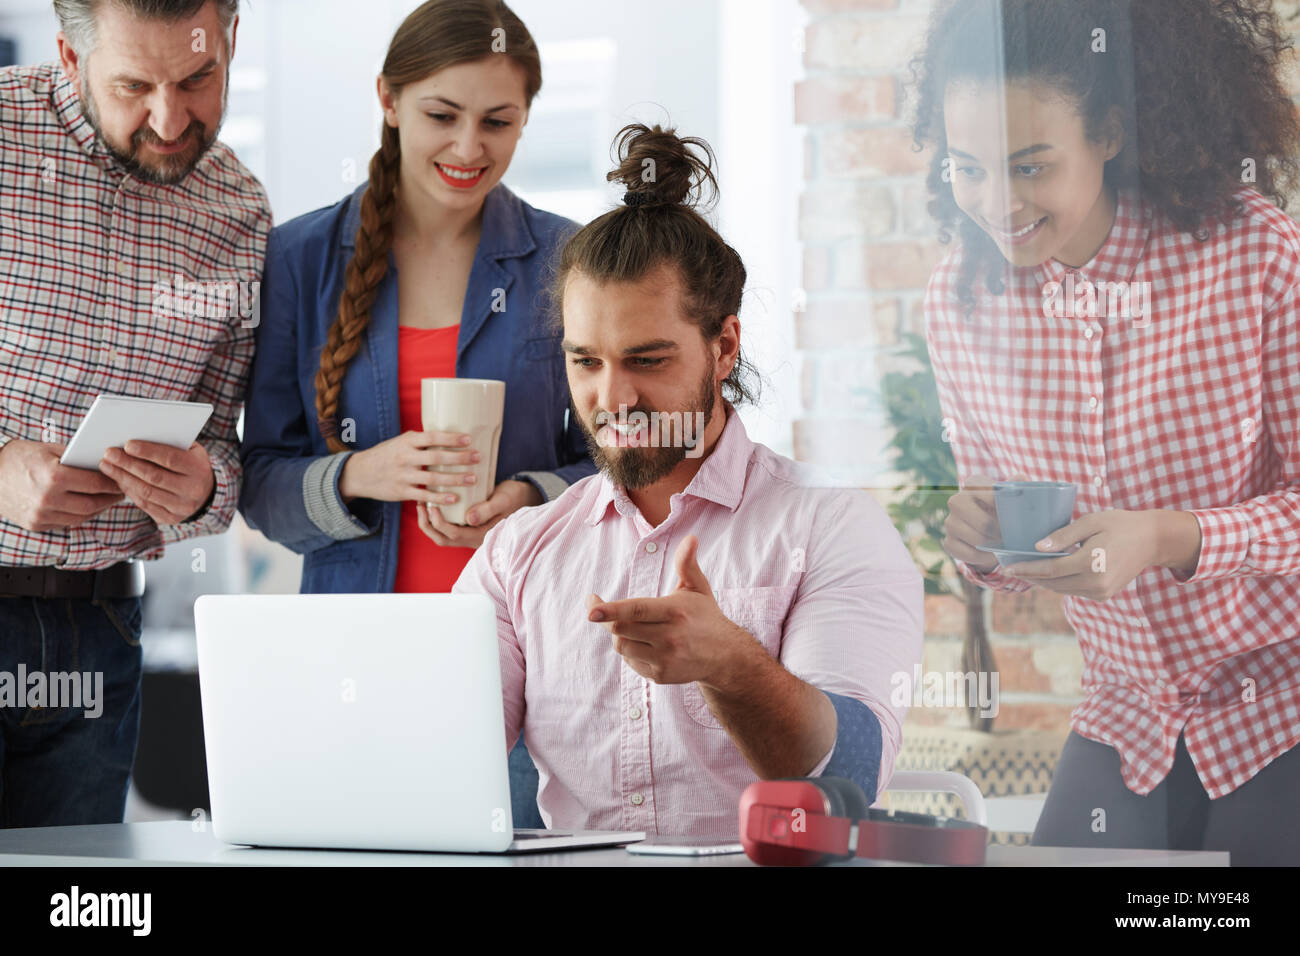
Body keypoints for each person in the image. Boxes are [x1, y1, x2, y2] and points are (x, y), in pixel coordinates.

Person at [453, 124, 923, 837]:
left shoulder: (830, 526)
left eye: (647, 360)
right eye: (586, 361)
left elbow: (847, 783)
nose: (613, 398)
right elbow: (444, 749)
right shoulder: (519, 551)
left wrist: (730, 665)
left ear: (724, 345)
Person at [916, 0, 1300, 864]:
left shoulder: (1253, 256)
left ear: (1112, 133)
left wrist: (1172, 537)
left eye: (1029, 166)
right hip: (1125, 714)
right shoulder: (960, 303)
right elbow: (1004, 541)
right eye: (967, 168)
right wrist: (977, 542)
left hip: (1280, 702)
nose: (996, 202)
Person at [238, 0, 591, 829]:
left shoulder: (567, 261)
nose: (470, 149)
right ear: (389, 103)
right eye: (442, 115)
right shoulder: (296, 260)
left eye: (498, 122)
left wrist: (531, 499)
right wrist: (359, 475)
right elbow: (257, 485)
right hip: (357, 670)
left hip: (535, 675)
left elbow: (625, 467)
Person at [0, 0, 270, 827]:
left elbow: (226, 449)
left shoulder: (241, 216)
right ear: (70, 60)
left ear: (230, 37)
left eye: (197, 78)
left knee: (69, 909)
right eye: (133, 86)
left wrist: (199, 489)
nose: (170, 117)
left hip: (103, 632)